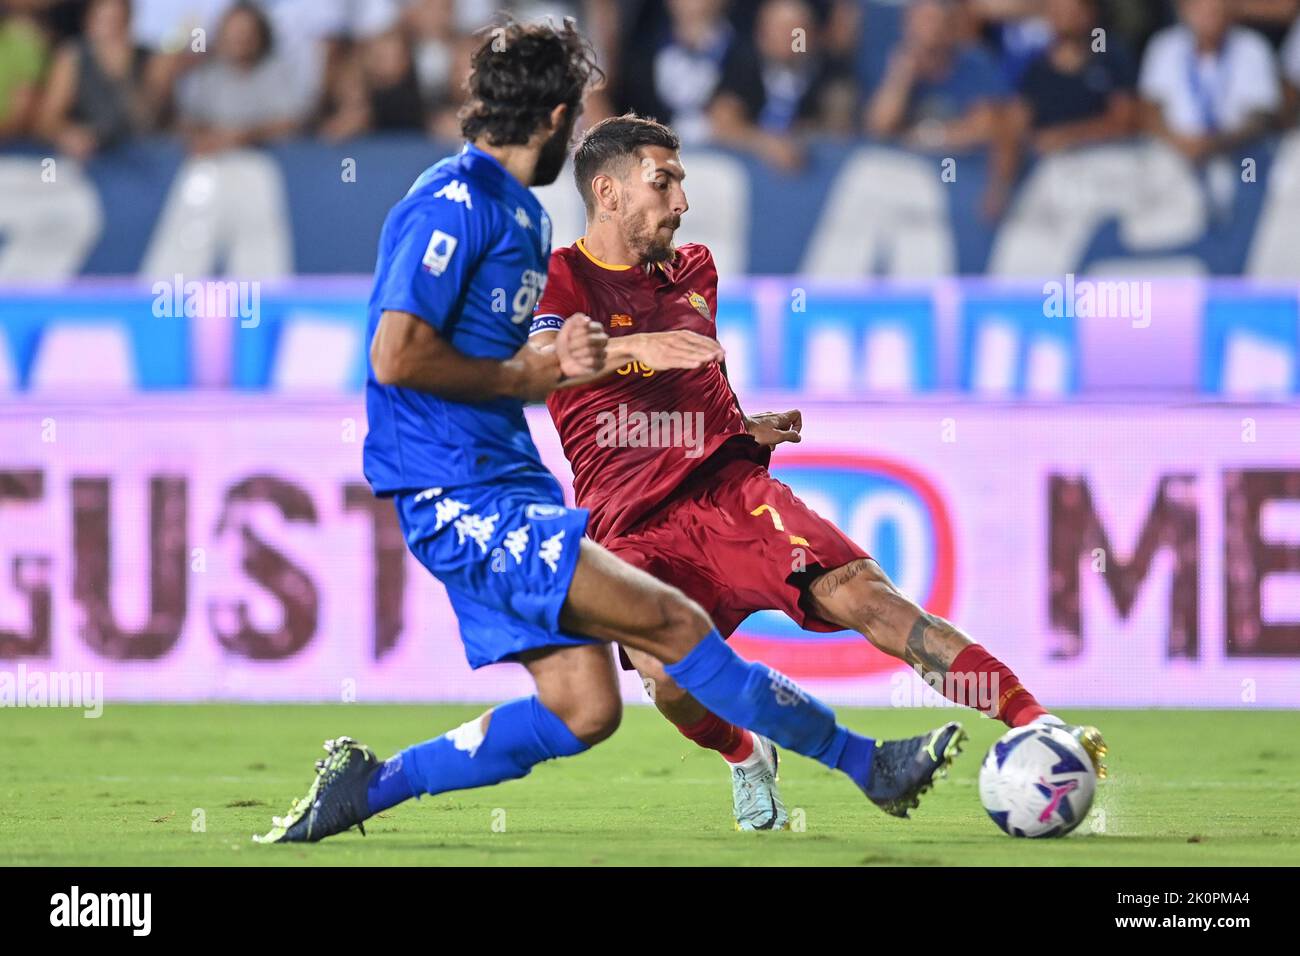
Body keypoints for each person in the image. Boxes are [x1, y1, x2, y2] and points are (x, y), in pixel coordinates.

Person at [256, 19, 966, 845]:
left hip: (506, 480)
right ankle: (866, 763)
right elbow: (397, 353)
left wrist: (697, 413)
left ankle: (365, 788)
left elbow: (508, 360)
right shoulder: (450, 205)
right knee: (672, 627)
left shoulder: (520, 220)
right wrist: (532, 374)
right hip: (451, 490)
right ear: (559, 117)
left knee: (585, 710)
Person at [528, 112, 1108, 830]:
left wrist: (739, 428)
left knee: (869, 599)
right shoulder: (558, 279)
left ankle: (1039, 725)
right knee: (666, 681)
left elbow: (687, 394)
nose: (681, 202)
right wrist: (640, 346)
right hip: (631, 528)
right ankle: (745, 755)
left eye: (682, 183)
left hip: (729, 495)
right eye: (665, 183)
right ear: (608, 194)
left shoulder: (696, 270)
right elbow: (543, 366)